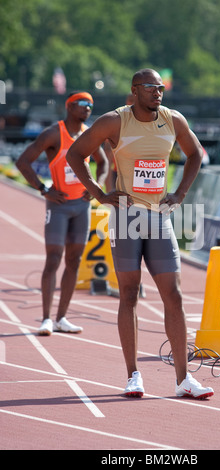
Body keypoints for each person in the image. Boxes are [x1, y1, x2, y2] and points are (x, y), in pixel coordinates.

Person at [66, 69, 214, 400]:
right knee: (129, 293)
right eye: (151, 88)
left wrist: (180, 195)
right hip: (126, 219)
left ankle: (183, 380)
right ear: (135, 91)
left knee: (173, 294)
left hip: (159, 216)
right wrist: (98, 194)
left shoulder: (173, 120)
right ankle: (133, 375)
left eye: (161, 88)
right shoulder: (114, 122)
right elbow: (75, 153)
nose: (158, 92)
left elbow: (195, 155)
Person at [16, 91, 108, 336]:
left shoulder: (90, 134)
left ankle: (62, 318)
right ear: (69, 107)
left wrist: (96, 186)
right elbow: (23, 162)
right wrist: (43, 188)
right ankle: (46, 319)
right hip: (58, 205)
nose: (87, 108)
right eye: (82, 104)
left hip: (81, 206)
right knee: (54, 259)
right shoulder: (53, 133)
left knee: (74, 261)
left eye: (90, 104)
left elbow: (103, 162)